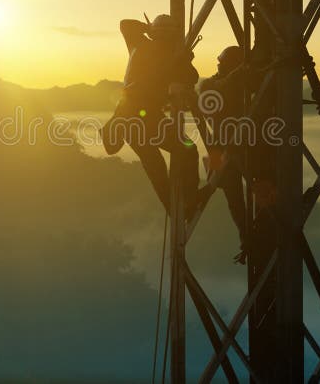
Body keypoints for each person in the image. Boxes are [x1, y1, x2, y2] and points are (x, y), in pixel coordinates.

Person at [101, 14, 201, 216]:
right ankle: (189, 201)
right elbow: (191, 78)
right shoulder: (171, 56)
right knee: (187, 150)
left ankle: (175, 208)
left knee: (155, 166)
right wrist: (184, 60)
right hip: (147, 117)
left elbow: (125, 24)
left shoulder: (138, 44)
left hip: (127, 115)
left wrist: (148, 28)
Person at [199, 46, 249, 263]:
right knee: (234, 197)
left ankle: (251, 237)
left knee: (260, 190)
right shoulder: (209, 84)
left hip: (244, 145)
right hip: (222, 148)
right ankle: (246, 238)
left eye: (223, 62)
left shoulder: (241, 85)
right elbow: (219, 89)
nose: (218, 64)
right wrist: (239, 73)